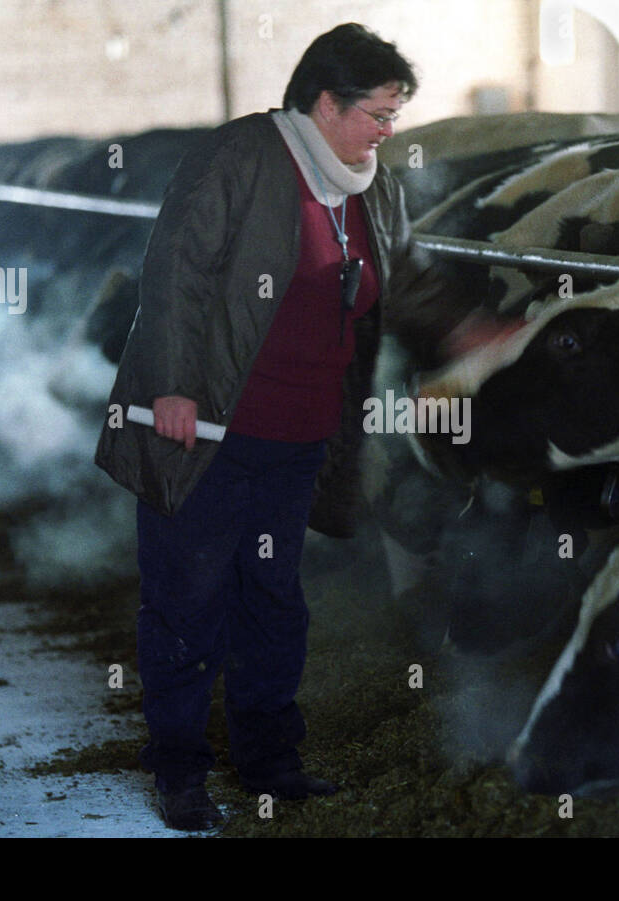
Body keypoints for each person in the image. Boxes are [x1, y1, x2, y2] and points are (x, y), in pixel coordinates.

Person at [95, 23, 440, 831]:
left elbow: (406, 279)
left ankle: (270, 760)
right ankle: (180, 772)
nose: (388, 132)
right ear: (326, 102)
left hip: (300, 438)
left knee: (273, 599)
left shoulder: (370, 185)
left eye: (394, 115)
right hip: (210, 430)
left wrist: (471, 334)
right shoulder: (243, 158)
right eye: (378, 114)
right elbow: (174, 269)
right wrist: (176, 387)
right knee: (188, 598)